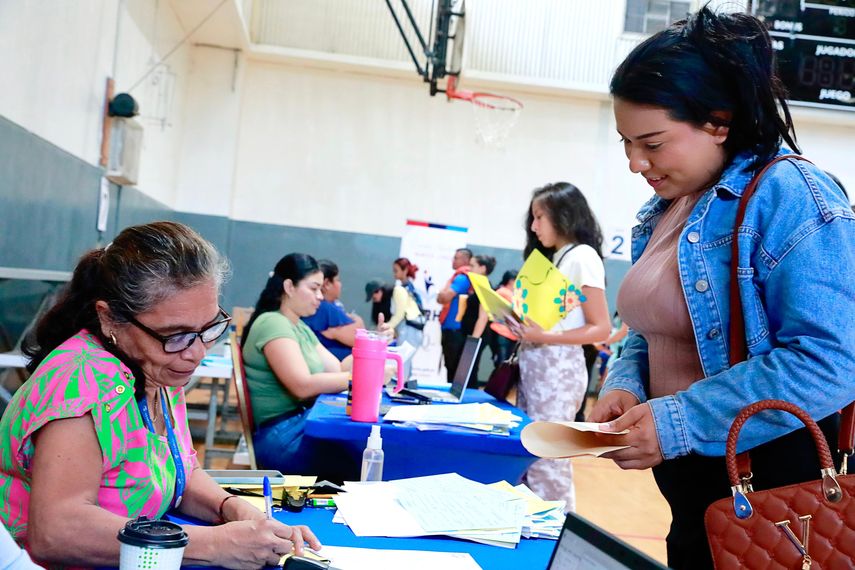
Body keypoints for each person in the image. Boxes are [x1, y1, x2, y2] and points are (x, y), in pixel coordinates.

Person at [588, 8, 855, 569]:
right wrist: (628, 385)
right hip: (697, 487)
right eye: (626, 143)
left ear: (718, 121)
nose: (636, 162)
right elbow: (652, 328)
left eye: (653, 143)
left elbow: (831, 359)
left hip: (774, 491)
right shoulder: (667, 209)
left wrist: (676, 420)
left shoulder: (793, 194)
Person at [0, 222, 319, 567]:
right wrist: (213, 542)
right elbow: (57, 532)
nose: (196, 352)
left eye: (209, 327)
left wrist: (231, 507)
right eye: (175, 334)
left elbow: (178, 470)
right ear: (110, 320)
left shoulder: (157, 368)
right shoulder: (79, 383)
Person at [511, 183, 611, 511]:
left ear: (563, 217)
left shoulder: (582, 256)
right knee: (532, 454)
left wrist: (545, 337)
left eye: (540, 217)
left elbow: (600, 327)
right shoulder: (558, 257)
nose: (533, 226)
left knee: (548, 458)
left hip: (558, 368)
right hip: (538, 364)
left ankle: (555, 535)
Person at [242, 253, 352, 475]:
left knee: (354, 451)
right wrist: (359, 379)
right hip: (280, 434)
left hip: (298, 424)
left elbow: (338, 369)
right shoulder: (273, 323)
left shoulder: (299, 326)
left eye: (321, 289)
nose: (320, 296)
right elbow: (302, 386)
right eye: (313, 289)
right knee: (353, 460)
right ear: (289, 287)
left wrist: (374, 348)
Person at [302, 259, 365, 360]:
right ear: (327, 284)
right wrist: (358, 320)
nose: (340, 284)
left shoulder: (329, 306)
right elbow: (359, 338)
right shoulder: (324, 308)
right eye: (338, 280)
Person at [385, 258, 426, 380]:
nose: (394, 274)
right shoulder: (411, 288)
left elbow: (399, 313)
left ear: (405, 270)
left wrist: (387, 327)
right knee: (406, 363)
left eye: (396, 270)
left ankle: (399, 391)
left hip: (408, 329)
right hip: (413, 330)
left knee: (402, 363)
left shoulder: (400, 289)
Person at [436, 247, 473, 380]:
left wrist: (442, 292)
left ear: (465, 260)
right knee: (450, 365)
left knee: (454, 367)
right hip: (450, 329)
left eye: (456, 258)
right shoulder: (457, 277)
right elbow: (440, 298)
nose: (453, 260)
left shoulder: (463, 278)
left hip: (455, 330)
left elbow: (444, 297)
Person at [465, 254, 496, 384]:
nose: (469, 268)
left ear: (483, 268)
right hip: (471, 332)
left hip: (477, 334)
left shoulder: (484, 287)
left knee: (470, 368)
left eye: (472, 266)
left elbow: (483, 317)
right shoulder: (476, 285)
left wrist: (474, 340)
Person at [489, 269, 519, 367]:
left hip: (507, 334)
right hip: (503, 333)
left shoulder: (505, 292)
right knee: (502, 363)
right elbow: (517, 310)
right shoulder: (504, 292)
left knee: (504, 362)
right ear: (511, 281)